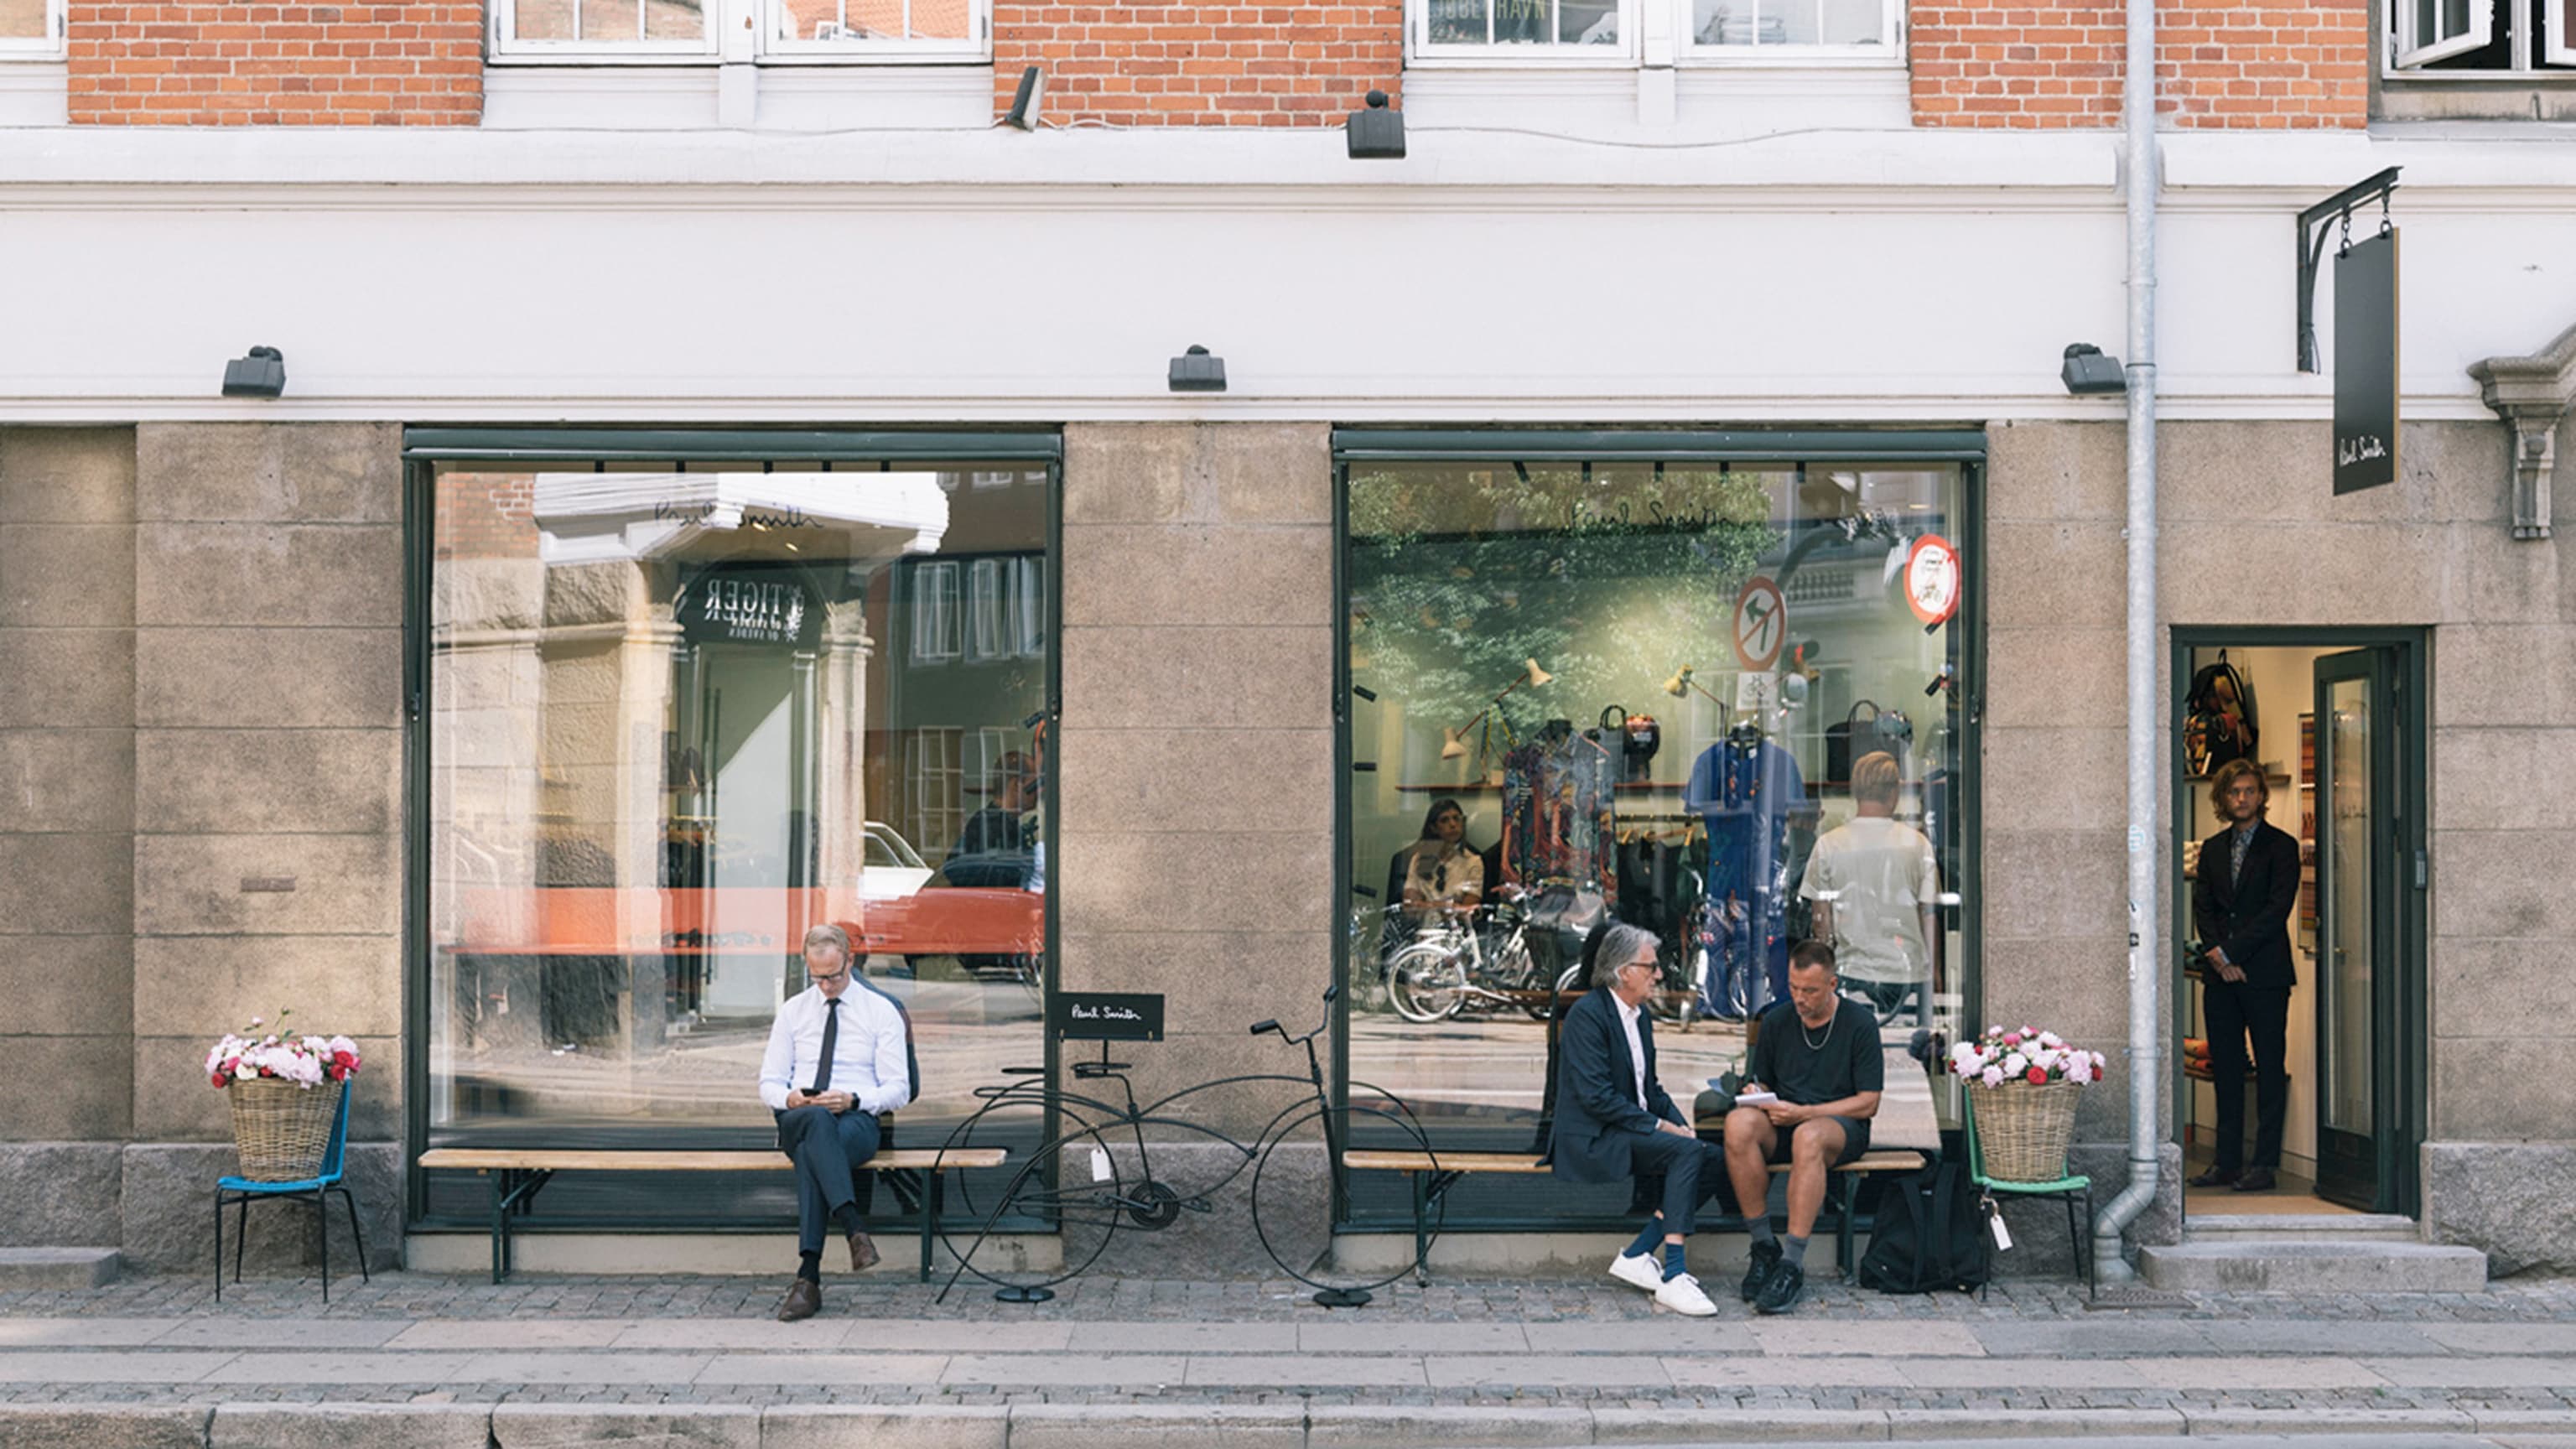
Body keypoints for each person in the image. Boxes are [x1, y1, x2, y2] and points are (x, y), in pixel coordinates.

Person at [1549, 922, 1725, 1317]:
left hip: (1626, 1128)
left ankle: (1638, 1252)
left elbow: (1652, 1091)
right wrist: (1663, 1129)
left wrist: (1682, 1126)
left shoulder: (1638, 1016)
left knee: (1710, 1157)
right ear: (1622, 971)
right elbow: (1596, 1098)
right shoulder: (1587, 1016)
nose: (1659, 974)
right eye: (1650, 966)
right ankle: (1675, 1275)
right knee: (1686, 1155)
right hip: (1593, 1137)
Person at [758, 923, 913, 1322]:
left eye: (833, 976)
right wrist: (789, 1097)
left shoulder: (881, 1011)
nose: (825, 986)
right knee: (812, 1120)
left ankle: (808, 1278)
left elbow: (900, 1087)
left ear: (851, 960)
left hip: (855, 1121)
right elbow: (769, 1082)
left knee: (816, 1147)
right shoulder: (793, 1011)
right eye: (817, 977)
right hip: (799, 1118)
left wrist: (854, 1099)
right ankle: (852, 1226)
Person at [1723, 939, 1883, 1315]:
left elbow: (1869, 1101)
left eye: (1809, 990)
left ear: (1832, 984)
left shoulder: (1859, 1023)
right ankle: (1764, 1248)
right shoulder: (1778, 1020)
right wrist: (1757, 1092)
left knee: (1809, 1137)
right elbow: (1763, 1079)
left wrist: (1806, 1113)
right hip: (1785, 1119)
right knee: (1738, 1125)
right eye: (1793, 988)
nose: (1800, 998)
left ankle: (1791, 1264)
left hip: (1838, 1126)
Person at [2189, 756, 2301, 1193]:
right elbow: (2205, 907)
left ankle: (2265, 1164)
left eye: (2250, 791)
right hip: (2220, 977)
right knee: (2228, 1070)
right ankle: (2228, 1162)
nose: (2242, 799)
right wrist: (2219, 955)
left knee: (2270, 1068)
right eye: (2234, 792)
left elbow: (2277, 910)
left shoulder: (2281, 846)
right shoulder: (2213, 849)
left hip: (2265, 974)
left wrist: (2233, 951)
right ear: (2222, 798)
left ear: (2261, 796)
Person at [1797, 752, 1941, 1025]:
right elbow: (1929, 914)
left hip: (1851, 971)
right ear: (1894, 791)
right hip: (1908, 973)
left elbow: (1821, 921)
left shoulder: (1829, 845)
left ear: (1855, 790)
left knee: (1851, 1050)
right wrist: (1935, 971)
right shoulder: (1918, 845)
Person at [943, 752, 1038, 888]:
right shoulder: (990, 826)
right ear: (1017, 785)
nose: (1038, 792)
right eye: (1034, 785)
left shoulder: (1003, 824)